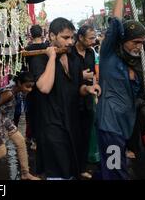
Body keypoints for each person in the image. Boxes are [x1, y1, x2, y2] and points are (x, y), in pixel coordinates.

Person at [96, 0, 145, 180]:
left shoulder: (139, 63)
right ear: (124, 40)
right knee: (115, 170)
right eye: (135, 41)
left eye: (142, 43)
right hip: (109, 124)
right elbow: (116, 23)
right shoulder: (109, 55)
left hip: (127, 124)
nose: (138, 46)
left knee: (115, 167)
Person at [29, 18, 101, 180]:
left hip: (72, 122)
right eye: (65, 38)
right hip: (52, 125)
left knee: (70, 171)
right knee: (57, 172)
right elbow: (45, 87)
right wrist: (52, 58)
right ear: (52, 36)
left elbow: (78, 88)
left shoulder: (73, 58)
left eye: (71, 37)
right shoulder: (40, 59)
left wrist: (87, 88)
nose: (70, 42)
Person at [0, 72, 40, 180]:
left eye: (31, 87)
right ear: (19, 83)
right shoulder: (9, 93)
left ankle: (25, 173)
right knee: (1, 151)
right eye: (27, 86)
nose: (29, 90)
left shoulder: (16, 90)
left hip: (5, 120)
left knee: (20, 141)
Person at [72, 25, 97, 179]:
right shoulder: (69, 53)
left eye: (94, 38)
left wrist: (94, 91)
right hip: (72, 102)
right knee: (73, 137)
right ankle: (71, 167)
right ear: (80, 37)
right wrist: (80, 76)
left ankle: (82, 168)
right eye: (91, 38)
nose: (93, 41)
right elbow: (64, 77)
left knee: (86, 136)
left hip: (87, 101)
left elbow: (92, 74)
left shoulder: (90, 53)